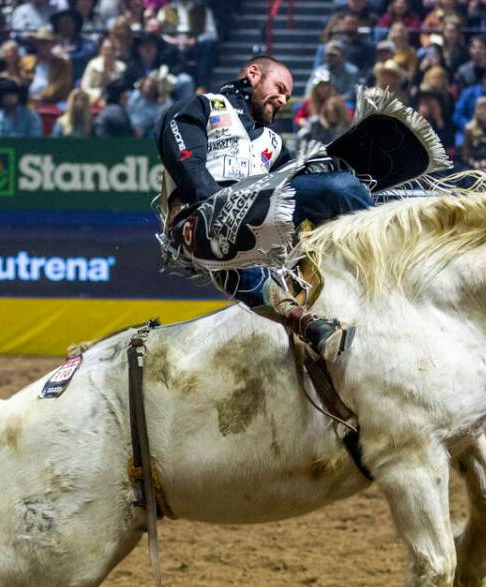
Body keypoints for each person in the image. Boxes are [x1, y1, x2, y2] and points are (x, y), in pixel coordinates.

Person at [157, 56, 376, 362]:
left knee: (341, 187)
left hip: (264, 210)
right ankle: (304, 322)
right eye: (280, 88)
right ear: (253, 73)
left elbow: (295, 182)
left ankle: (385, 260)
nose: (284, 100)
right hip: (205, 217)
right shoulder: (202, 106)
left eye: (288, 95)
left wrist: (330, 169)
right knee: (233, 244)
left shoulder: (273, 142)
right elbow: (187, 163)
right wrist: (219, 205)